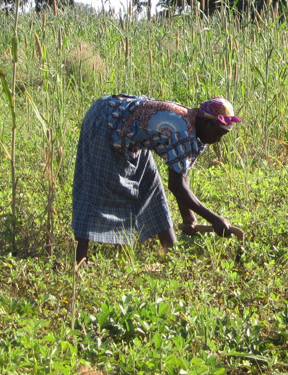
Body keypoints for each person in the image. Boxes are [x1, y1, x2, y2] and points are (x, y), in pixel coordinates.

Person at [72, 94, 242, 264]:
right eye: (218, 133)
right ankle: (79, 261)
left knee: (151, 187)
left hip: (132, 133)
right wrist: (214, 219)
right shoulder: (182, 131)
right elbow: (177, 186)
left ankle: (169, 254)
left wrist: (188, 218)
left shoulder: (195, 129)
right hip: (105, 120)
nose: (218, 140)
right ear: (206, 122)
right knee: (94, 188)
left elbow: (182, 173)